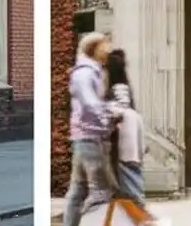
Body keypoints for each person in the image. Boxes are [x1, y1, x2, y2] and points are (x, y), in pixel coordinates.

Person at [62, 32, 112, 226]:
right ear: (94, 48)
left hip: (85, 136)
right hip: (89, 136)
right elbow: (90, 102)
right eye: (104, 45)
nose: (108, 49)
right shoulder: (85, 72)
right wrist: (109, 116)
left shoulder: (93, 70)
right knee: (100, 192)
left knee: (78, 190)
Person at [105, 49, 145, 206]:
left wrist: (105, 108)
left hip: (125, 137)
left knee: (129, 175)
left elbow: (120, 109)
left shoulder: (118, 87)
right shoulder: (124, 85)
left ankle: (141, 214)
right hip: (130, 135)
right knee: (131, 174)